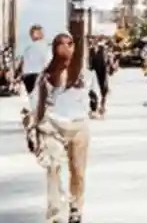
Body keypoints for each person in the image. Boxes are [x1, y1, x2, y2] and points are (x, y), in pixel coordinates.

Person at [26, 32, 97, 223]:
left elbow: (94, 96)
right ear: (54, 48)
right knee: (54, 169)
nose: (66, 47)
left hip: (79, 127)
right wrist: (34, 127)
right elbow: (35, 103)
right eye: (61, 44)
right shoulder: (46, 75)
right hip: (53, 127)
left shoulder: (85, 73)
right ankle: (56, 213)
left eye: (70, 43)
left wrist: (93, 102)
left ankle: (75, 207)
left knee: (78, 171)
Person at [19, 24, 49, 99]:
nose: (42, 34)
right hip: (38, 75)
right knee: (41, 101)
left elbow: (23, 63)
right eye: (40, 33)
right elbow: (47, 62)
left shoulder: (27, 49)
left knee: (34, 99)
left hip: (27, 76)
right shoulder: (44, 46)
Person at [88, 43, 112, 119]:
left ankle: (96, 110)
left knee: (96, 92)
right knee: (102, 93)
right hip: (101, 78)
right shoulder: (105, 57)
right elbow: (109, 68)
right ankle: (100, 109)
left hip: (97, 77)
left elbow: (91, 67)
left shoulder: (95, 56)